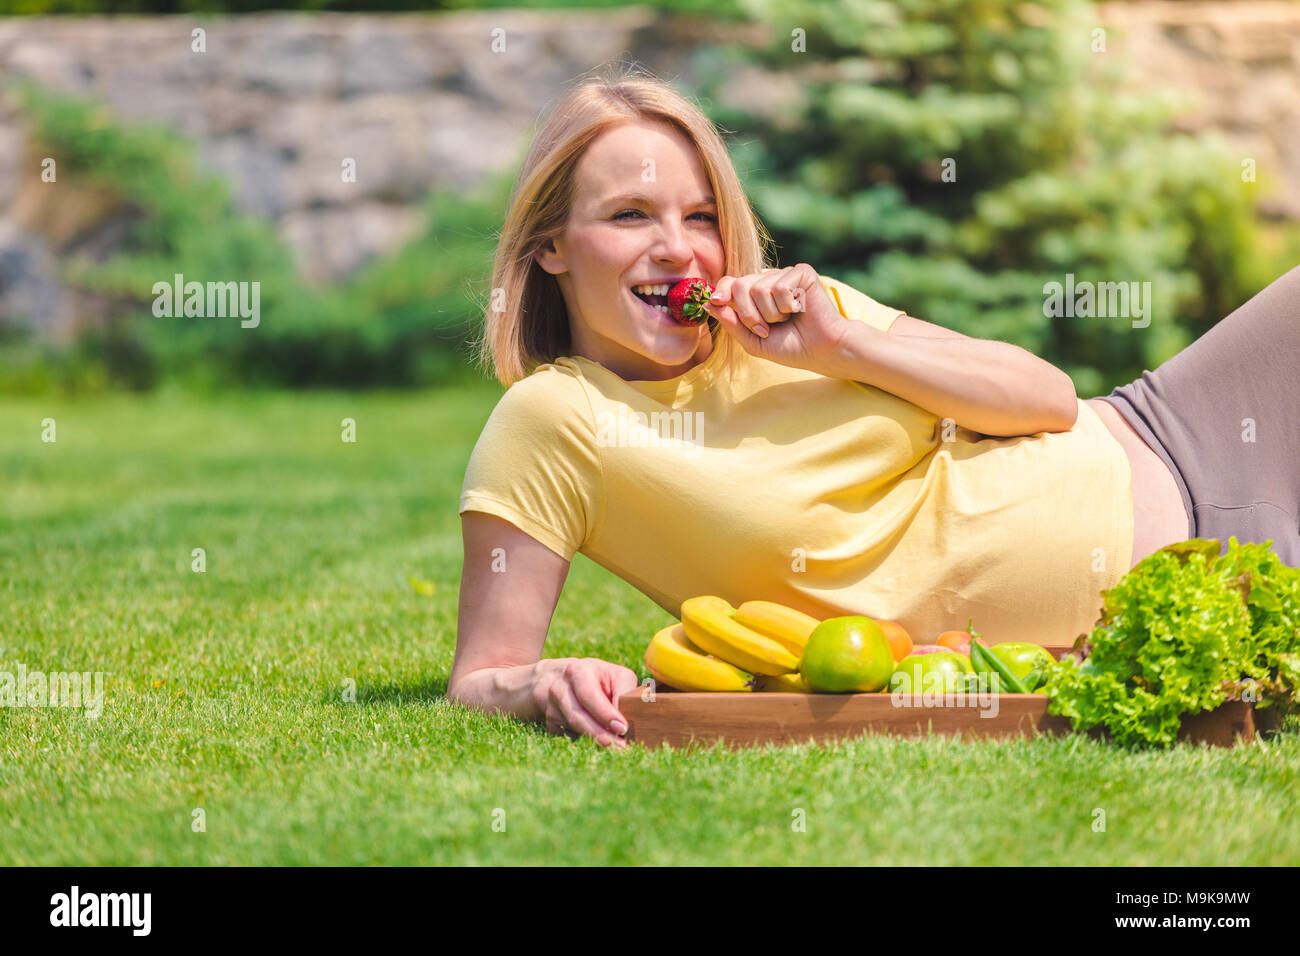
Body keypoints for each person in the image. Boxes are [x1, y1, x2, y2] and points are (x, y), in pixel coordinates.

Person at [449, 64, 1300, 749]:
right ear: (550, 245)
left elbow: (1048, 400)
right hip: (1192, 595)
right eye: (631, 215)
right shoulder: (556, 421)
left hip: (1179, 435)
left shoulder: (801, 314)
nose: (678, 248)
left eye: (701, 215)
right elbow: (481, 674)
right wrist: (539, 682)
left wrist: (843, 347)